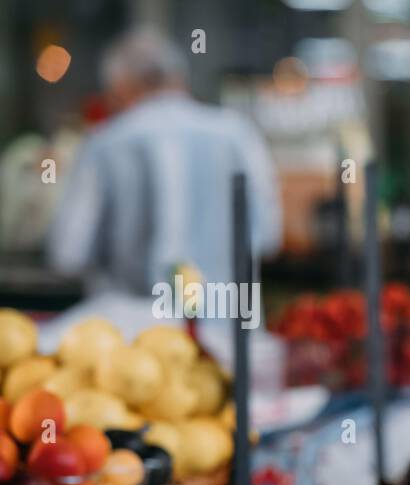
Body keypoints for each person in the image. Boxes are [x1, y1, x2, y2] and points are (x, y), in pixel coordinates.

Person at [45, 26, 281, 304]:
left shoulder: (103, 144)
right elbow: (267, 237)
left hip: (128, 336)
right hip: (225, 331)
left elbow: (67, 254)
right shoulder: (238, 134)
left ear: (121, 87)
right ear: (179, 77)